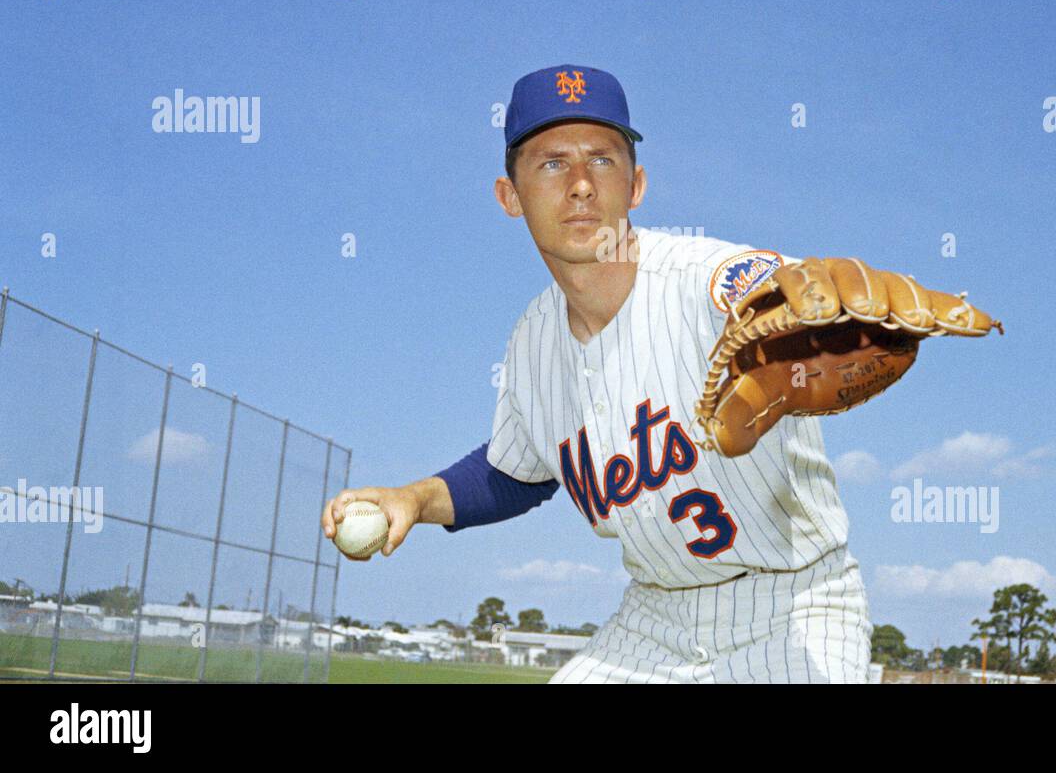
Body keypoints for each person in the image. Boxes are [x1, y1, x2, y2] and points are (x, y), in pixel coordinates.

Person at [323, 63, 872, 682]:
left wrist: (830, 324)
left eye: (603, 160)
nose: (581, 184)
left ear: (636, 185)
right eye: (553, 163)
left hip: (794, 605)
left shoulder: (705, 280)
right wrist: (413, 498)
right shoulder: (532, 341)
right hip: (655, 616)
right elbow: (515, 472)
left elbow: (785, 292)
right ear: (510, 196)